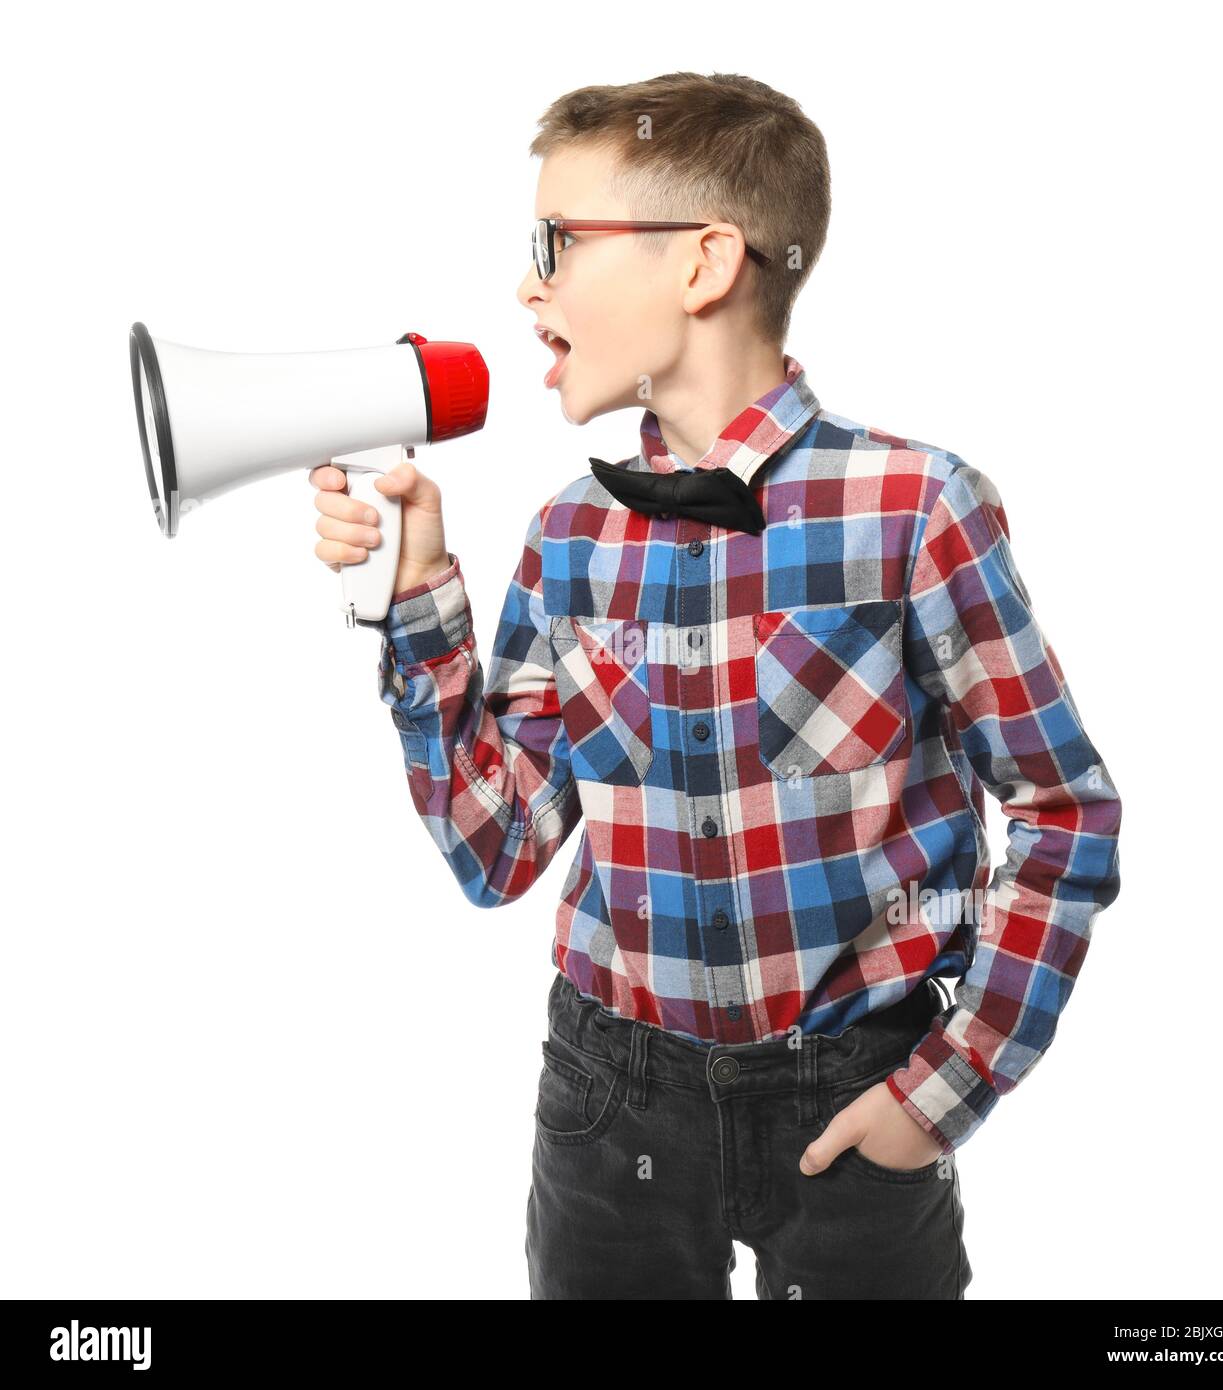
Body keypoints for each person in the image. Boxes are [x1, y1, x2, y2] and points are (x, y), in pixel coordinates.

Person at [309, 72, 1122, 1300]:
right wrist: (415, 597)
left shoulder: (912, 507)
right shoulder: (566, 537)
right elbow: (499, 854)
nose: (528, 286)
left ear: (702, 265)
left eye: (557, 243)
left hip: (854, 1097)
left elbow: (1064, 812)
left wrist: (941, 1094)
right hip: (608, 1105)